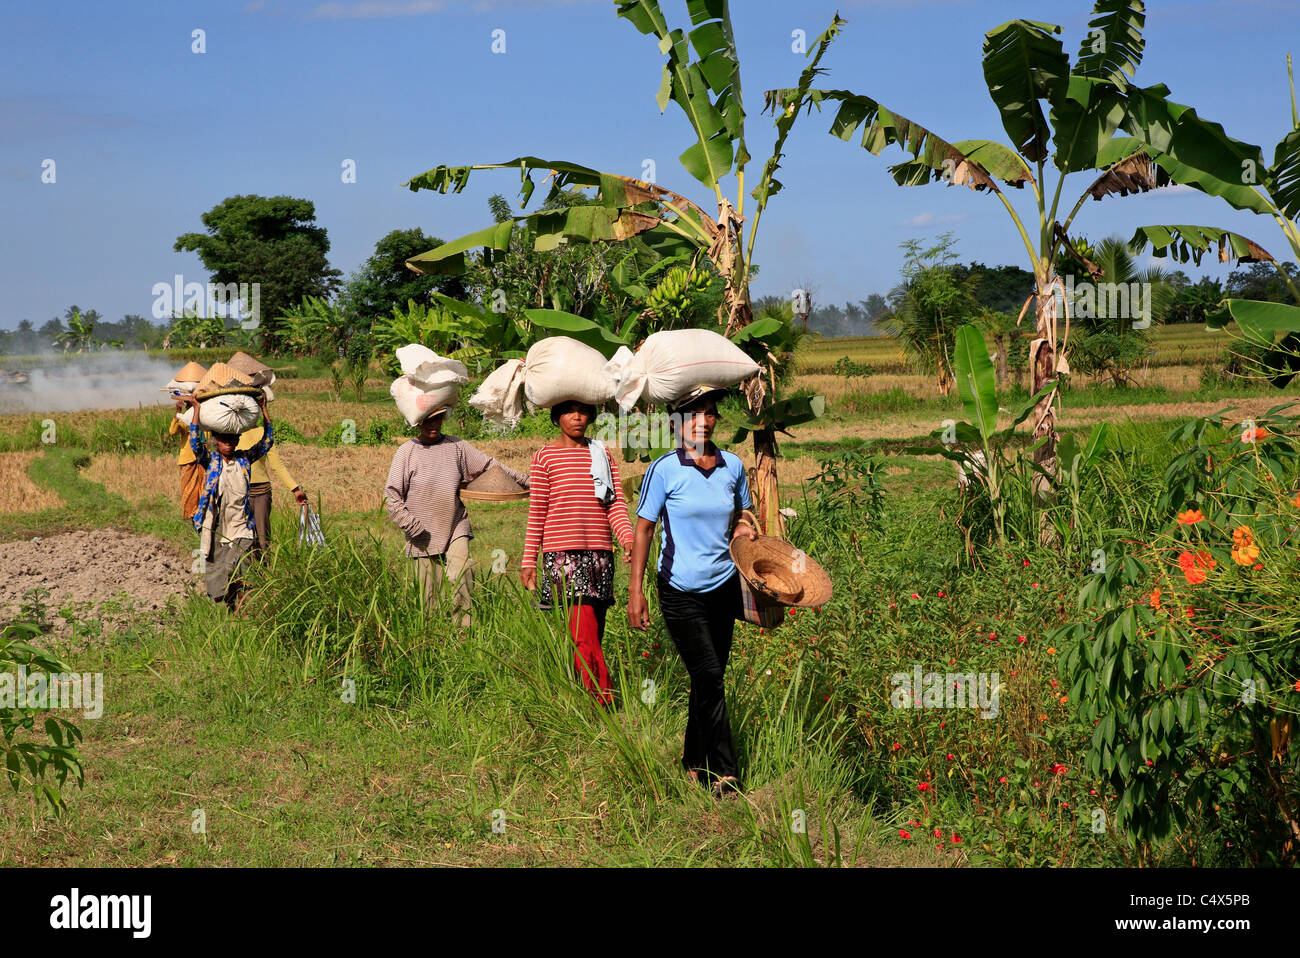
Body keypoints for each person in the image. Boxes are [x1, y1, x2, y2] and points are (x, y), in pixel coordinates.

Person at [627, 388, 757, 795]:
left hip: (724, 588)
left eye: (710, 414)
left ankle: (691, 761)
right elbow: (645, 528)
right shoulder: (664, 469)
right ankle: (726, 773)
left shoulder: (732, 465)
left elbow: (744, 511)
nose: (703, 421)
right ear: (675, 424)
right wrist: (636, 591)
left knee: (707, 681)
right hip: (680, 591)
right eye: (693, 415)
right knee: (711, 676)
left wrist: (744, 526)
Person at [520, 400, 633, 705]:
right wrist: (528, 559)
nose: (578, 418)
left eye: (583, 411)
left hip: (599, 556)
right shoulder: (545, 457)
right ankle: (604, 700)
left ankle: (582, 693)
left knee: (593, 631)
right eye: (570, 412)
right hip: (563, 557)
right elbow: (537, 512)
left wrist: (627, 538)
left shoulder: (601, 454)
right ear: (557, 417)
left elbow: (615, 503)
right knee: (584, 633)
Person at [385, 404, 529, 628]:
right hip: (421, 533)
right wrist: (411, 526)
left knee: (462, 574)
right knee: (428, 598)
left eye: (438, 419)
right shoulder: (406, 453)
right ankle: (434, 640)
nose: (433, 425)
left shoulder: (456, 446)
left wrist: (527, 480)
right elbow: (392, 496)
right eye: (427, 420)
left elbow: (491, 466)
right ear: (417, 421)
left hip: (454, 525)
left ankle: (465, 632)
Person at [184, 392, 274, 611]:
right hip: (218, 528)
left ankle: (242, 611)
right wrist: (196, 409)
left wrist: (264, 410)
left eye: (232, 440)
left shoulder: (243, 459)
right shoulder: (212, 461)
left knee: (242, 571)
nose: (228, 444)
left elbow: (268, 441)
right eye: (224, 440)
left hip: (242, 526)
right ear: (216, 441)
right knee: (219, 582)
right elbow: (195, 443)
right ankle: (231, 607)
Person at [236, 422, 308, 557]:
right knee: (242, 537)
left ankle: (265, 570)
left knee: (262, 538)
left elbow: (277, 465)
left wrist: (295, 489)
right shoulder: (229, 434)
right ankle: (245, 571)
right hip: (237, 491)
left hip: (261, 492)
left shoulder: (262, 433)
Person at [169, 402, 206, 521]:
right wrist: (177, 413)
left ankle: (203, 515)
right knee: (188, 491)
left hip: (204, 459)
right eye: (189, 406)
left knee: (203, 488)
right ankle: (191, 516)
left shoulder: (206, 420)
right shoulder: (184, 420)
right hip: (188, 460)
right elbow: (173, 431)